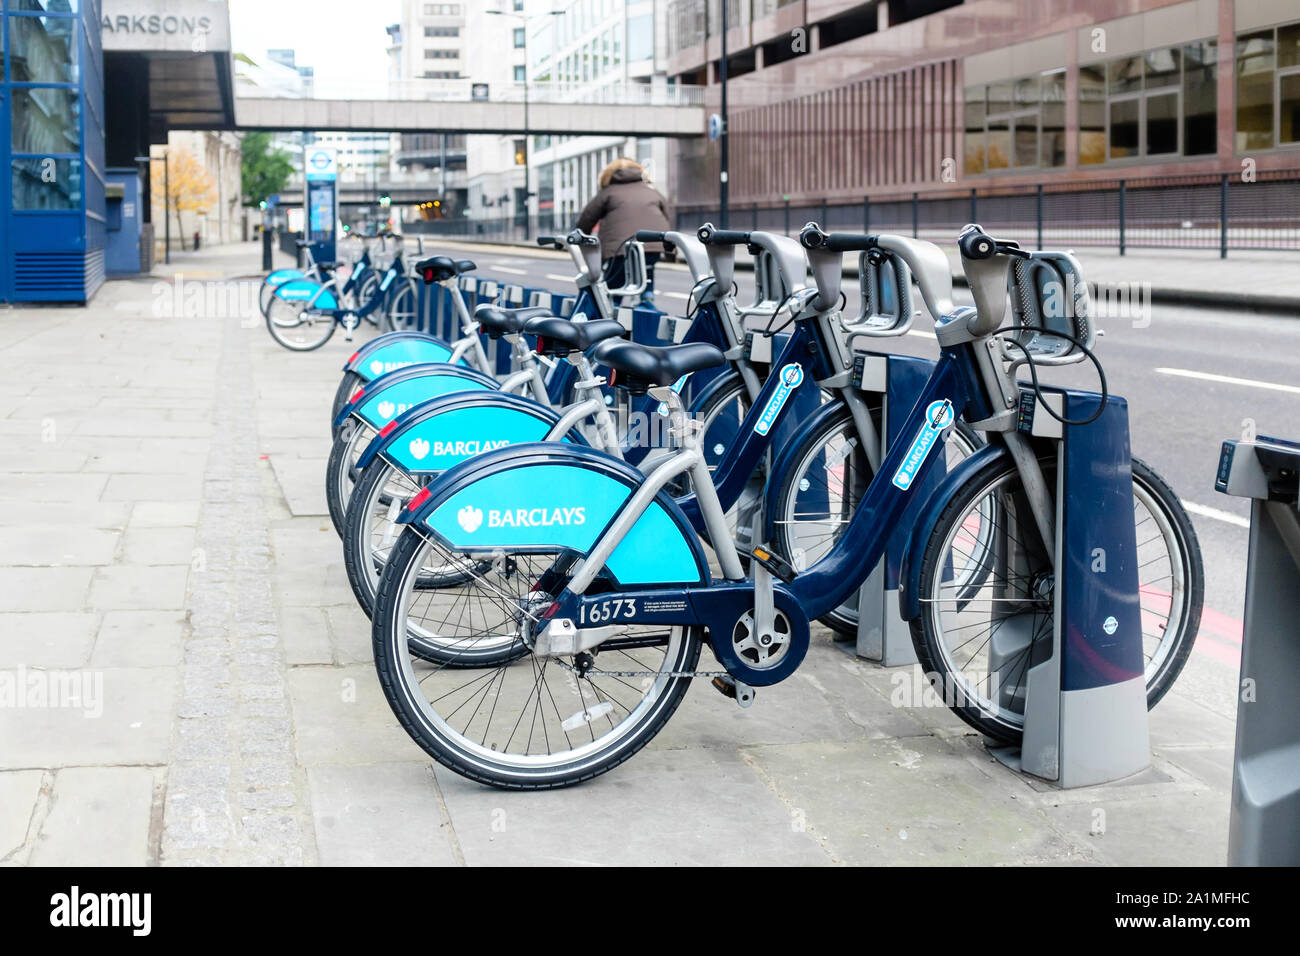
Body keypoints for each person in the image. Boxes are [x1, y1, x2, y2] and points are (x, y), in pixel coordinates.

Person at [576, 158, 673, 306]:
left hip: (619, 249)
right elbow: (666, 216)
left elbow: (587, 219)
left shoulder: (608, 192)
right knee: (646, 272)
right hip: (652, 244)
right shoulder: (652, 191)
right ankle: (648, 303)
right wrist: (670, 251)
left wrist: (580, 237)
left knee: (614, 285)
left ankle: (610, 313)